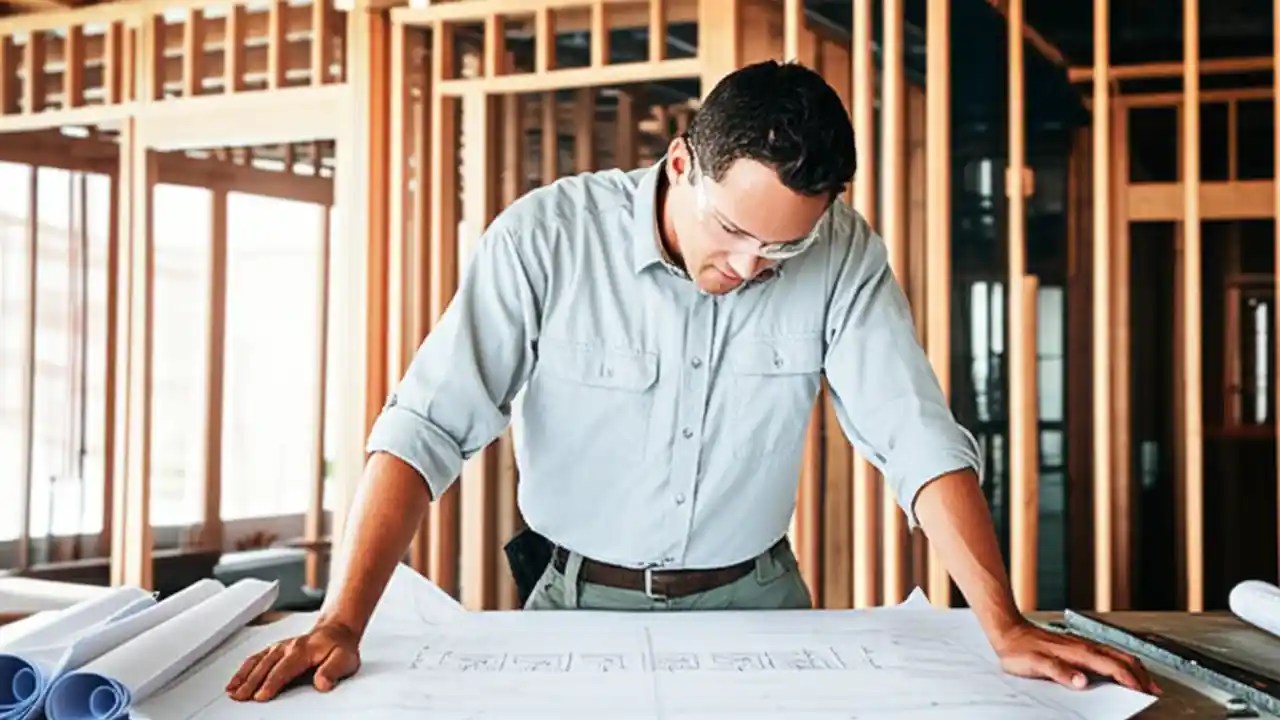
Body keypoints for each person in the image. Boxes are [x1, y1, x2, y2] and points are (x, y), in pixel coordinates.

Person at [225, 60, 1160, 703]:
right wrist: (343, 620)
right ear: (681, 163)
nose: (754, 265)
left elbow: (912, 433)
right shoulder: (546, 238)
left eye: (782, 245)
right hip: (572, 610)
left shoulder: (840, 252)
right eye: (733, 231)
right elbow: (424, 427)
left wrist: (1001, 620)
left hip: (761, 607)